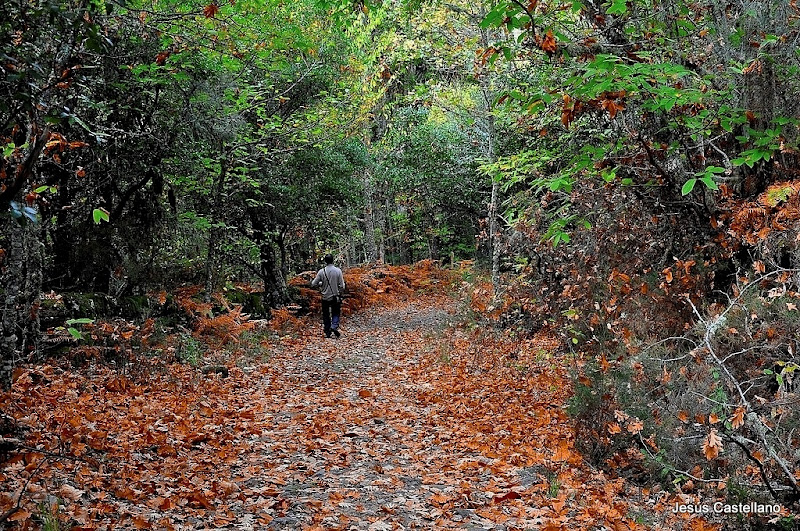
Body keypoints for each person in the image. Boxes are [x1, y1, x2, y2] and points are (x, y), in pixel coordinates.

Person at [311, 254, 345, 338]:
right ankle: (334, 326)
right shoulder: (338, 271)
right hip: (335, 296)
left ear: (325, 261)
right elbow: (342, 286)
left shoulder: (321, 271)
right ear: (333, 260)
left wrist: (321, 284)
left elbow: (313, 284)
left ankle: (327, 331)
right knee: (336, 312)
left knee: (326, 314)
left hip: (325, 297)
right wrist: (339, 292)